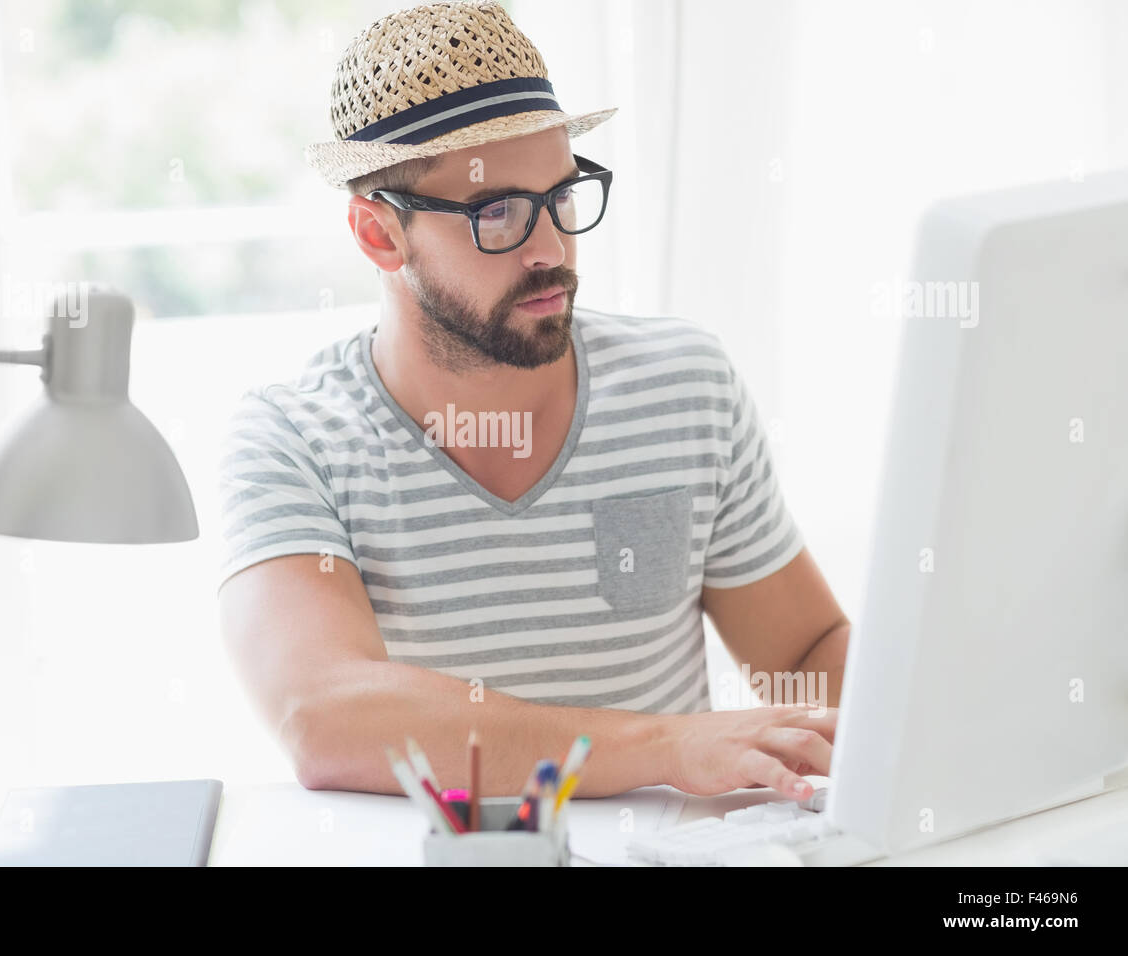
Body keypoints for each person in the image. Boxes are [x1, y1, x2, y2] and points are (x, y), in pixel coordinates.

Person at [217, 1, 848, 801]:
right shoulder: (291, 439)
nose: (552, 250)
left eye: (563, 195)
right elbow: (325, 713)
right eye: (497, 212)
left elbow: (802, 655)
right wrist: (664, 748)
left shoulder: (686, 383)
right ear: (379, 235)